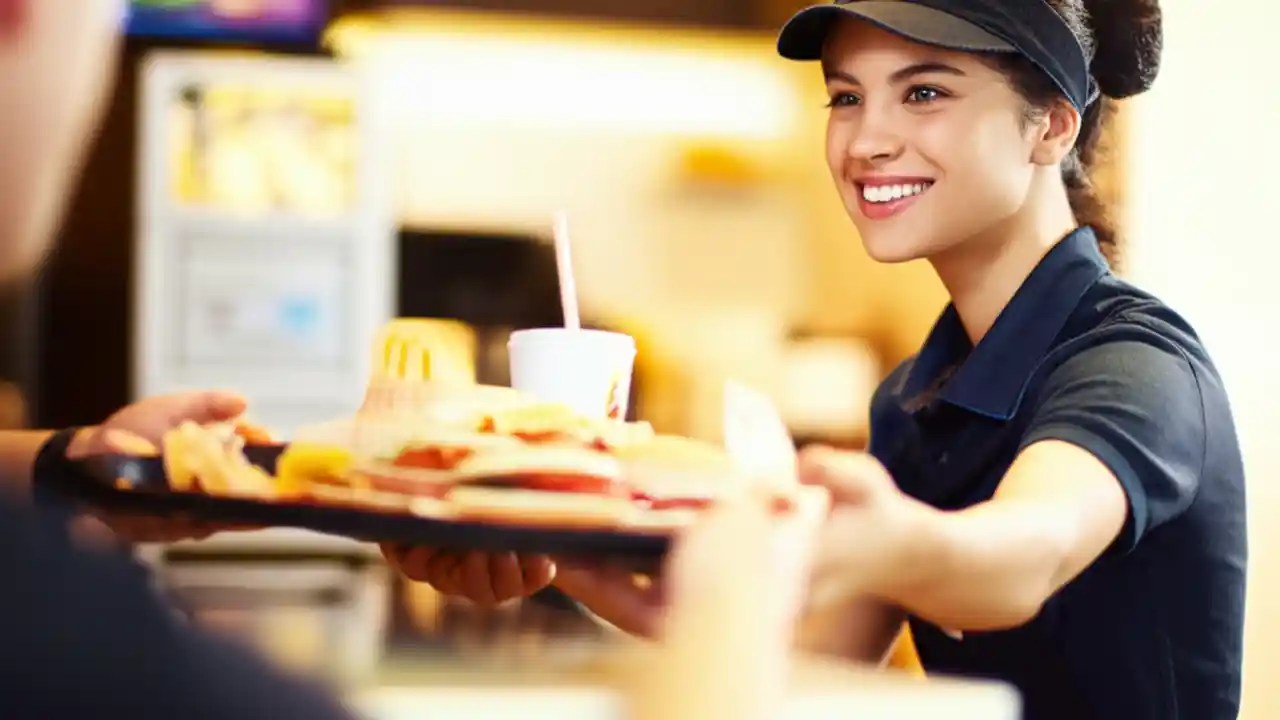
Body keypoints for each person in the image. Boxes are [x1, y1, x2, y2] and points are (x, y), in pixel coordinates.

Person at [389, 1, 1247, 719]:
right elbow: (814, 647)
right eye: (845, 96)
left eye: (923, 92)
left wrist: (886, 534)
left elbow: (1022, 557)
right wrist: (559, 548)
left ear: (1051, 127)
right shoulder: (918, 398)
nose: (866, 140)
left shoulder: (1134, 361)